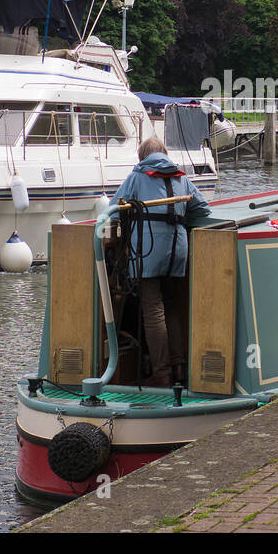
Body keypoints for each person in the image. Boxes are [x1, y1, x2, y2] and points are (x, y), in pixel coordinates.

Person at [115, 138, 211, 386]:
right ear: (164, 155)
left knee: (153, 309)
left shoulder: (137, 176)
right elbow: (203, 208)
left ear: (142, 157)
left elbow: (115, 207)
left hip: (149, 250)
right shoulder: (181, 176)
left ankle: (162, 373)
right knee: (170, 305)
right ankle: (179, 367)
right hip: (177, 248)